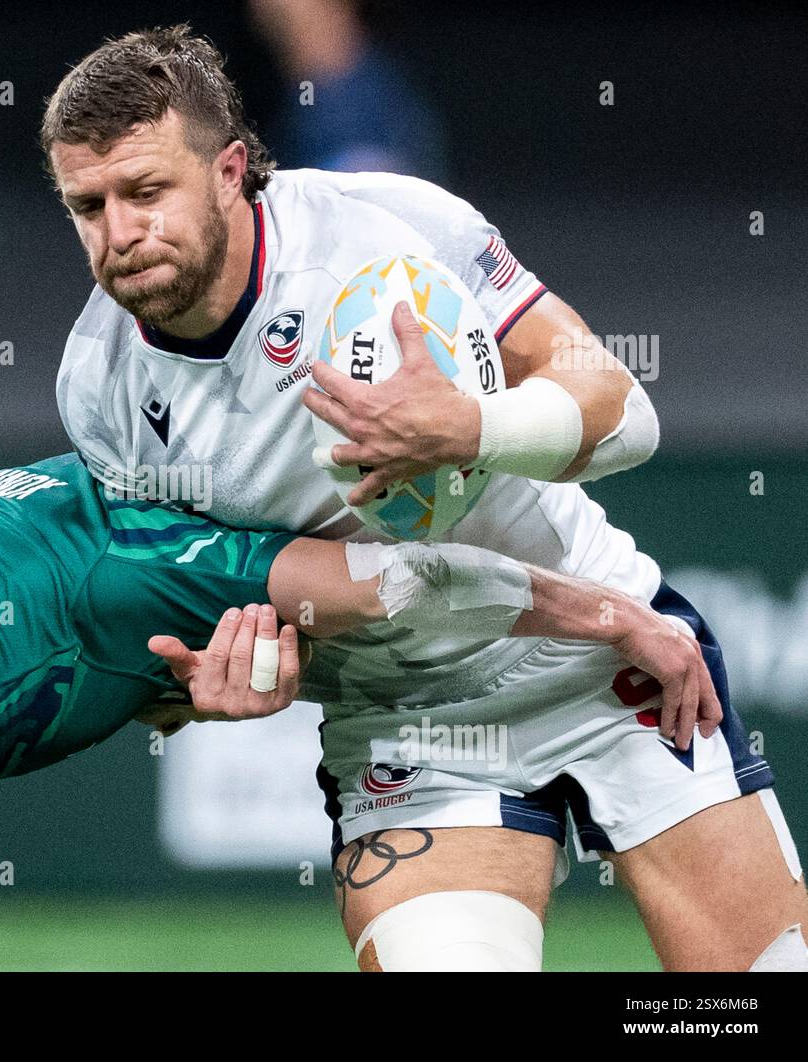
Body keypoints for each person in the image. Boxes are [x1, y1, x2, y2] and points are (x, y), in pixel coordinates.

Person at [44, 25, 808, 971]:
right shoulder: (98, 391)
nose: (119, 234)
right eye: (88, 205)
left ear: (231, 169)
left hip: (610, 664)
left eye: (146, 192)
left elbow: (622, 408)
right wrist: (210, 689)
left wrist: (471, 429)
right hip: (406, 723)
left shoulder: (384, 223)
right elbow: (172, 647)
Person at [0, 452, 705, 970]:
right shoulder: (179, 556)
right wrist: (620, 620)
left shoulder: (75, 484)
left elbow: (75, 666)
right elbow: (418, 583)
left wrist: (209, 698)